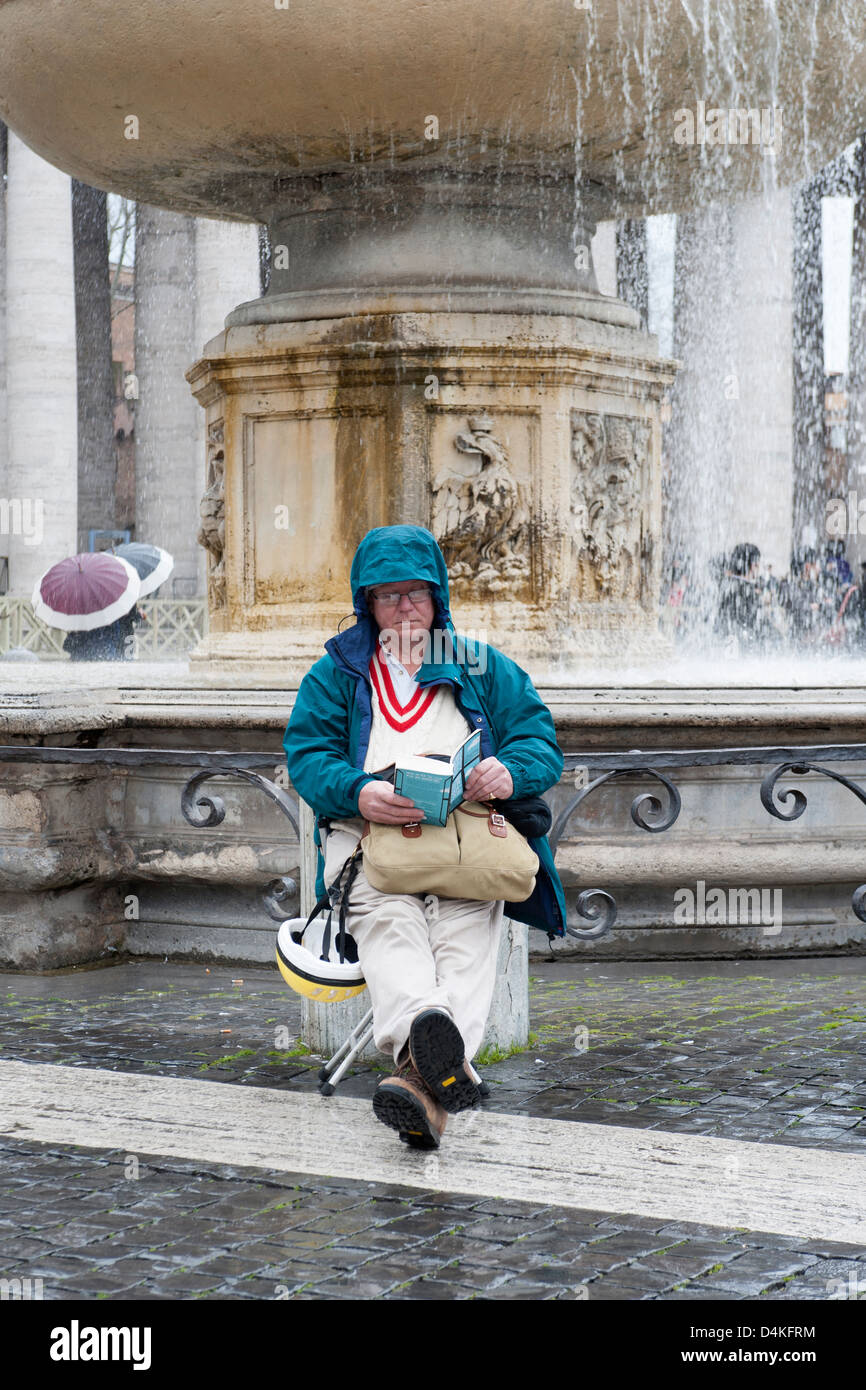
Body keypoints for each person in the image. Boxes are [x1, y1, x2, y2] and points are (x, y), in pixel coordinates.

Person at [283, 524, 566, 1149]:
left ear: (439, 598)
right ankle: (433, 1065)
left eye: (417, 593)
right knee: (390, 924)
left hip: (465, 843)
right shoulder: (338, 673)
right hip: (370, 844)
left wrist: (509, 770)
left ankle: (417, 1081)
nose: (405, 607)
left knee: (465, 935)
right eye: (389, 596)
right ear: (368, 604)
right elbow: (307, 756)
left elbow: (539, 740)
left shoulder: (481, 666)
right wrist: (357, 791)